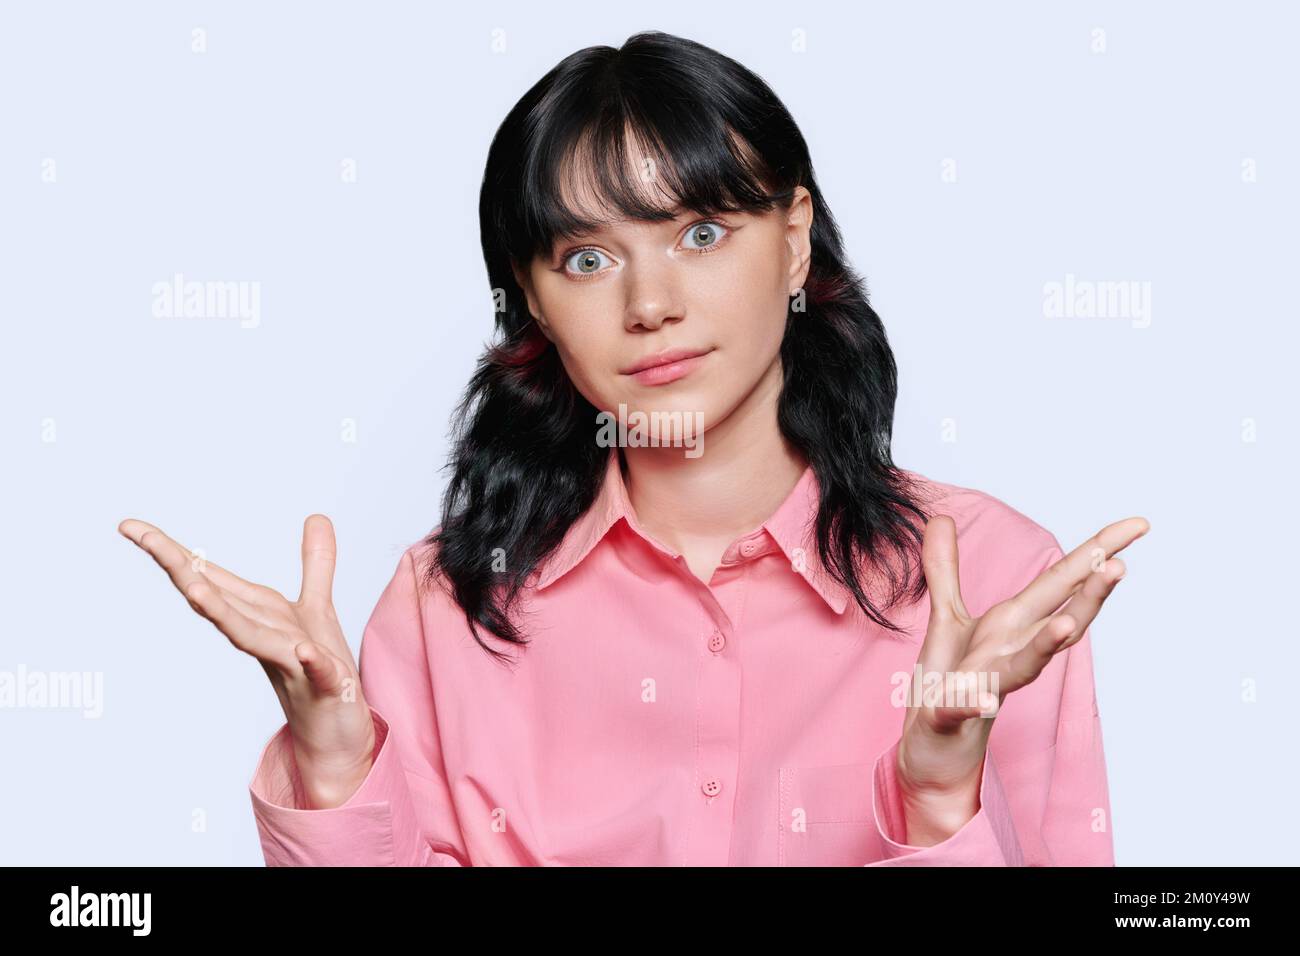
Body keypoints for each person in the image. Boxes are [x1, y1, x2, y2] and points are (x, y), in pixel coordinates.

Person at [119, 31, 1148, 866]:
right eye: (587, 256)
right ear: (531, 300)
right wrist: (338, 768)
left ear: (793, 240)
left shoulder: (990, 579)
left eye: (700, 233)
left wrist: (933, 790)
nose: (650, 305)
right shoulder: (446, 604)